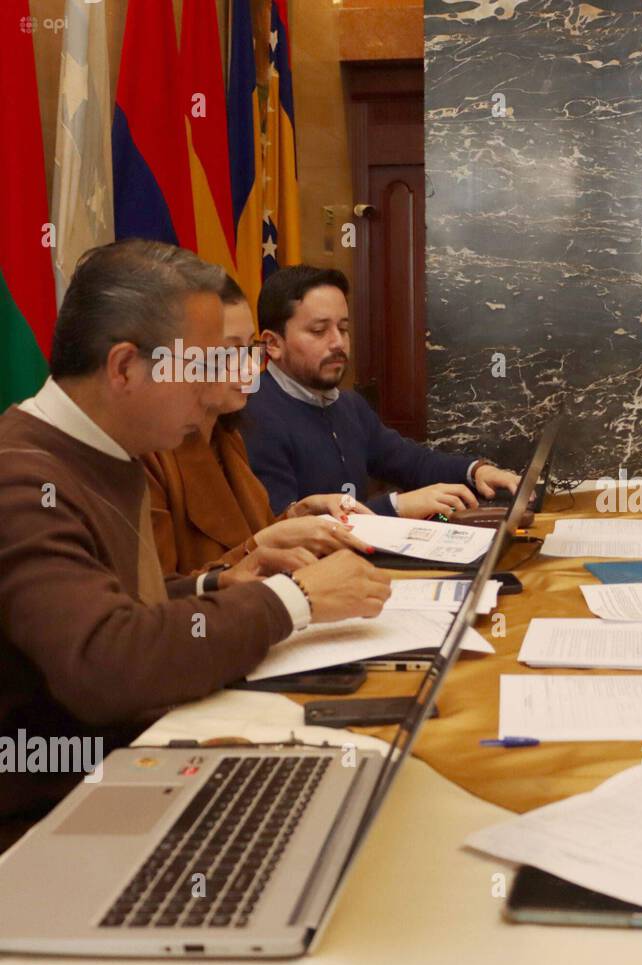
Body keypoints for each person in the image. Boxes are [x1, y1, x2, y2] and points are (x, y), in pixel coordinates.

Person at [0, 240, 391, 825]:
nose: (217, 389)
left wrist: (216, 585)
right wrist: (295, 600)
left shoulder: (107, 450)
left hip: (136, 770)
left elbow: (120, 603)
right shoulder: (22, 479)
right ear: (126, 367)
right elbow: (106, 662)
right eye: (202, 365)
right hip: (53, 821)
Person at [241, 265, 520, 518]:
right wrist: (397, 507)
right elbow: (279, 527)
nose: (338, 343)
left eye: (343, 328)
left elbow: (411, 462)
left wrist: (476, 471)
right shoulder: (252, 415)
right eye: (318, 331)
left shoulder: (349, 405)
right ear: (273, 344)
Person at [143, 275, 367, 575]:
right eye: (230, 351)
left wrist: (298, 514)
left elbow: (246, 535)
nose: (251, 367)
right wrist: (260, 545)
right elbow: (160, 600)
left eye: (250, 348)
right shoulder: (148, 452)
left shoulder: (227, 433)